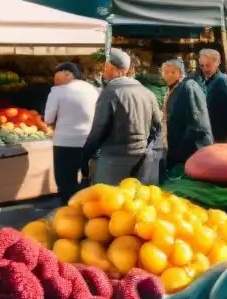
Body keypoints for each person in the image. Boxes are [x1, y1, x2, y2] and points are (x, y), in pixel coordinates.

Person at [82, 48, 163, 185]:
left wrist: (85, 155)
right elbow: (157, 126)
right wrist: (146, 148)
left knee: (110, 197)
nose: (104, 71)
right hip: (142, 160)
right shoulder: (147, 93)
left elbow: (99, 130)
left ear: (115, 69)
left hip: (113, 161)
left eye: (106, 67)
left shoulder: (111, 93)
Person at [43, 63, 98, 203]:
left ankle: (69, 209)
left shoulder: (58, 91)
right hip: (88, 141)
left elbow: (48, 119)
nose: (54, 79)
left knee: (66, 182)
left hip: (65, 143)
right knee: (87, 179)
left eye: (56, 74)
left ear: (67, 73)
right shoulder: (93, 90)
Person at [160, 59, 213, 172]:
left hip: (190, 150)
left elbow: (197, 122)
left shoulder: (188, 87)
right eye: (166, 72)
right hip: (176, 146)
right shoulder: (172, 90)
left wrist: (189, 150)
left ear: (180, 73)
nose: (169, 75)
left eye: (173, 72)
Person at [197, 49, 227, 144]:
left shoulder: (222, 82)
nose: (205, 69)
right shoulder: (209, 81)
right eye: (202, 66)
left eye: (208, 65)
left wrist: (221, 139)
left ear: (217, 63)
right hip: (214, 136)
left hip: (222, 138)